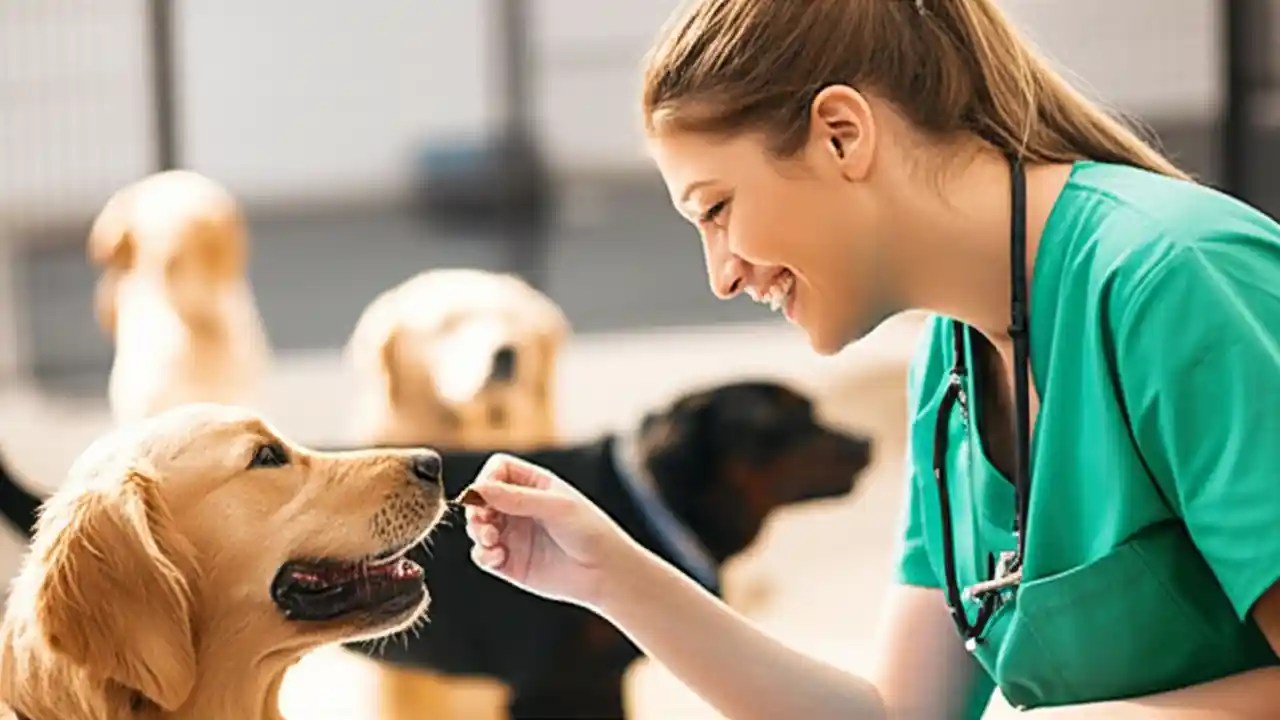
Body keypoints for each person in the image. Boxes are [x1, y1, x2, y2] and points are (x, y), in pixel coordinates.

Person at [462, 0, 1280, 717]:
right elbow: (899, 715)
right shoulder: (952, 363)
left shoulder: (1175, 281)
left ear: (842, 135)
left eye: (717, 209)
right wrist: (610, 574)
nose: (721, 275)